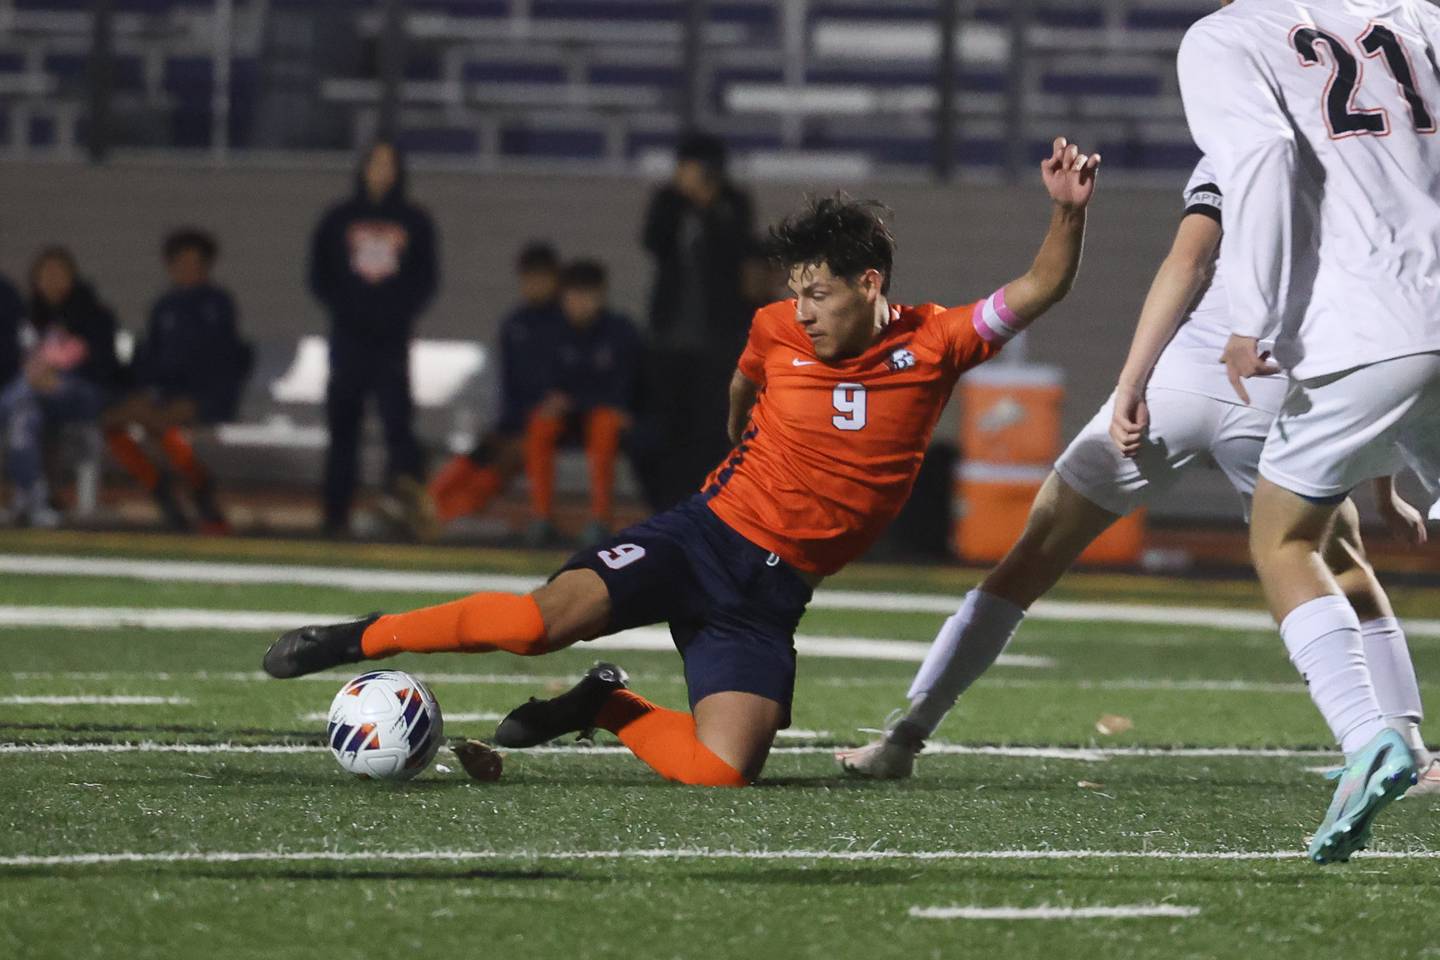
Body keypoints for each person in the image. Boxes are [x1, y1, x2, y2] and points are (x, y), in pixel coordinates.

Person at [261, 137, 1103, 788]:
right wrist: (741, 439)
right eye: (795, 291)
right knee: (530, 626)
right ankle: (355, 637)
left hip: (771, 595)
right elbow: (745, 383)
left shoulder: (936, 341)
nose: (799, 311)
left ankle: (605, 702)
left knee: (722, 772)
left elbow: (1042, 286)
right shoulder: (778, 326)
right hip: (702, 538)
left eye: (819, 293)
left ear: (870, 283)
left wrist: (1067, 210)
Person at [837, 147, 1440, 799]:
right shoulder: (1371, 166)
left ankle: (905, 737)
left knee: (1031, 556)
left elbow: (1188, 261)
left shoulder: (1239, 150)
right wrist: (1384, 476)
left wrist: (1131, 382)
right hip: (1277, 391)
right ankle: (1407, 749)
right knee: (1341, 564)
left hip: (1177, 384)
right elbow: (1379, 328)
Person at [1179, 0, 1440, 863]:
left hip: (1369, 325)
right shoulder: (1420, 17)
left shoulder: (1225, 36)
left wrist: (1253, 315)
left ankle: (1370, 736)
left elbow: (1258, 157)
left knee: (1286, 537)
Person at [309, 139, 438, 537]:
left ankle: (401, 514)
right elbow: (319, 274)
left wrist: (394, 313)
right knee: (343, 426)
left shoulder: (415, 221)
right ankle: (335, 514)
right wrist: (349, 310)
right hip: (348, 338)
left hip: (392, 340)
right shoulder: (338, 218)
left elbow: (425, 278)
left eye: (389, 164)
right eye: (375, 163)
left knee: (398, 426)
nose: (381, 172)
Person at [105, 228, 252, 533]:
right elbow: (148, 357)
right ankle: (160, 485)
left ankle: (198, 486)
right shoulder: (164, 307)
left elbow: (222, 361)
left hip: (205, 395)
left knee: (160, 422)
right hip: (164, 395)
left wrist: (189, 393)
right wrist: (145, 389)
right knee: (112, 421)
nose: (188, 269)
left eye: (195, 262)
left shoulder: (217, 304)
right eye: (181, 262)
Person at [639, 132, 755, 510]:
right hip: (669, 336)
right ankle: (665, 506)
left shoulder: (734, 203)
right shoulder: (667, 202)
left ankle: (709, 504)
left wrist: (707, 207)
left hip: (717, 338)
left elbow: (737, 252)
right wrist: (684, 202)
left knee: (711, 428)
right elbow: (653, 242)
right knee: (666, 428)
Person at [428, 242, 564, 530]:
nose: (535, 286)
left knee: (508, 458)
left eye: (542, 278)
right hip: (515, 420)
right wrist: (503, 424)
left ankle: (452, 513)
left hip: (550, 424)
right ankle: (429, 501)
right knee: (482, 450)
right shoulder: (514, 324)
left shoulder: (565, 324)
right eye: (529, 279)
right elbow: (508, 383)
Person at [517, 259, 642, 548]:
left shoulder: (620, 332)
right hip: (565, 418)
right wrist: (553, 398)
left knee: (605, 425)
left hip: (599, 415)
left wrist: (580, 401)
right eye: (573, 296)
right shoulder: (550, 332)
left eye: (587, 296)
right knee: (540, 424)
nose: (580, 304)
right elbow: (542, 384)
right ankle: (541, 517)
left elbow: (622, 389)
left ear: (601, 296)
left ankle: (600, 518)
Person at [0, 248, 122, 526]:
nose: (52, 280)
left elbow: (104, 366)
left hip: (83, 394)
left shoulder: (93, 314)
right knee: (24, 414)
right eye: (46, 274)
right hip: (33, 397)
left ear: (72, 277)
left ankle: (27, 495)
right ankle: (33, 496)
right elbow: (17, 361)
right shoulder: (27, 316)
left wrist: (59, 377)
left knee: (17, 399)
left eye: (59, 273)